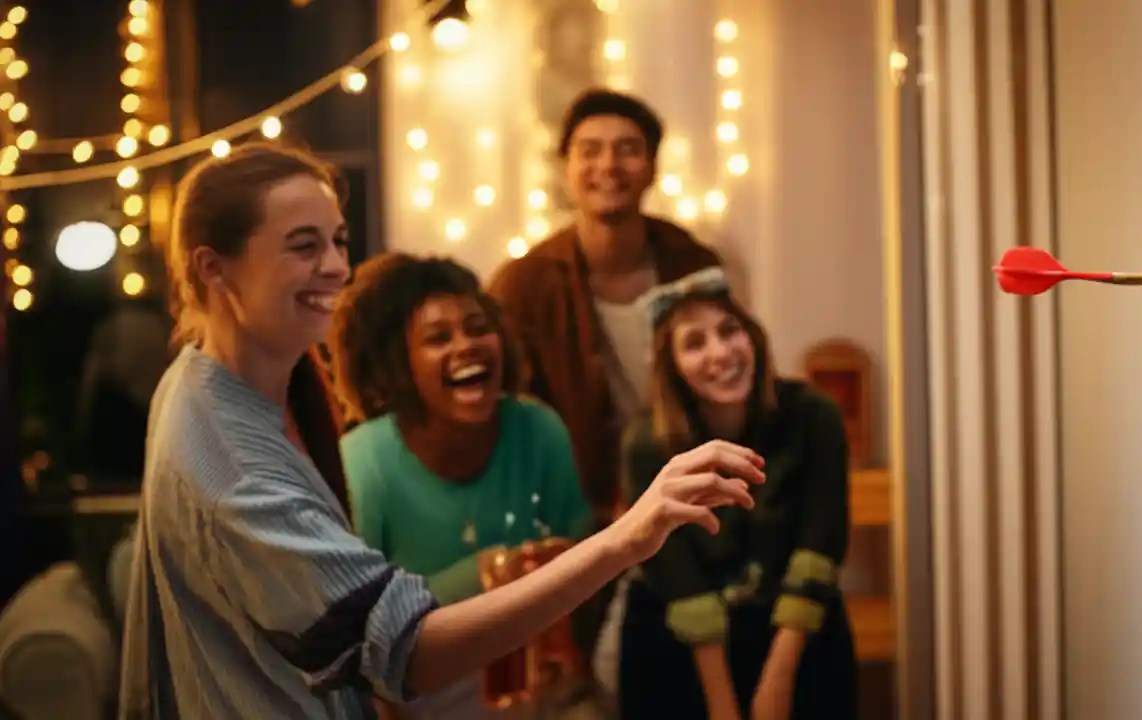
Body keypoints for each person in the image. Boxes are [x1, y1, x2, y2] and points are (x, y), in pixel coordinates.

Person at [116, 142, 765, 720]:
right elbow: (405, 654)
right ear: (213, 269)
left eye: (339, 240)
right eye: (303, 245)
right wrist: (631, 535)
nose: (337, 267)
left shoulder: (218, 384)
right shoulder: (232, 455)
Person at [328, 252, 594, 718]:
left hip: (539, 683)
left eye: (477, 327)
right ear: (399, 364)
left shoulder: (538, 428)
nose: (466, 345)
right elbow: (357, 638)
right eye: (437, 337)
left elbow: (581, 561)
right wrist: (487, 570)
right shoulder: (362, 463)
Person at [617, 267, 858, 719]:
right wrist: (724, 706)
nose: (721, 353)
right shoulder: (646, 446)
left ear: (753, 336)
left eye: (730, 330)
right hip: (683, 643)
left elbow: (820, 547)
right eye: (694, 343)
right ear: (671, 367)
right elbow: (679, 580)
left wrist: (778, 681)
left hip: (794, 629)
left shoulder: (813, 415)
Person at [488, 88, 721, 530]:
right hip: (575, 514)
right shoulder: (524, 283)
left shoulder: (691, 263)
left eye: (628, 150)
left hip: (689, 496)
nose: (609, 166)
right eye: (590, 151)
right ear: (567, 169)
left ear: (652, 167)